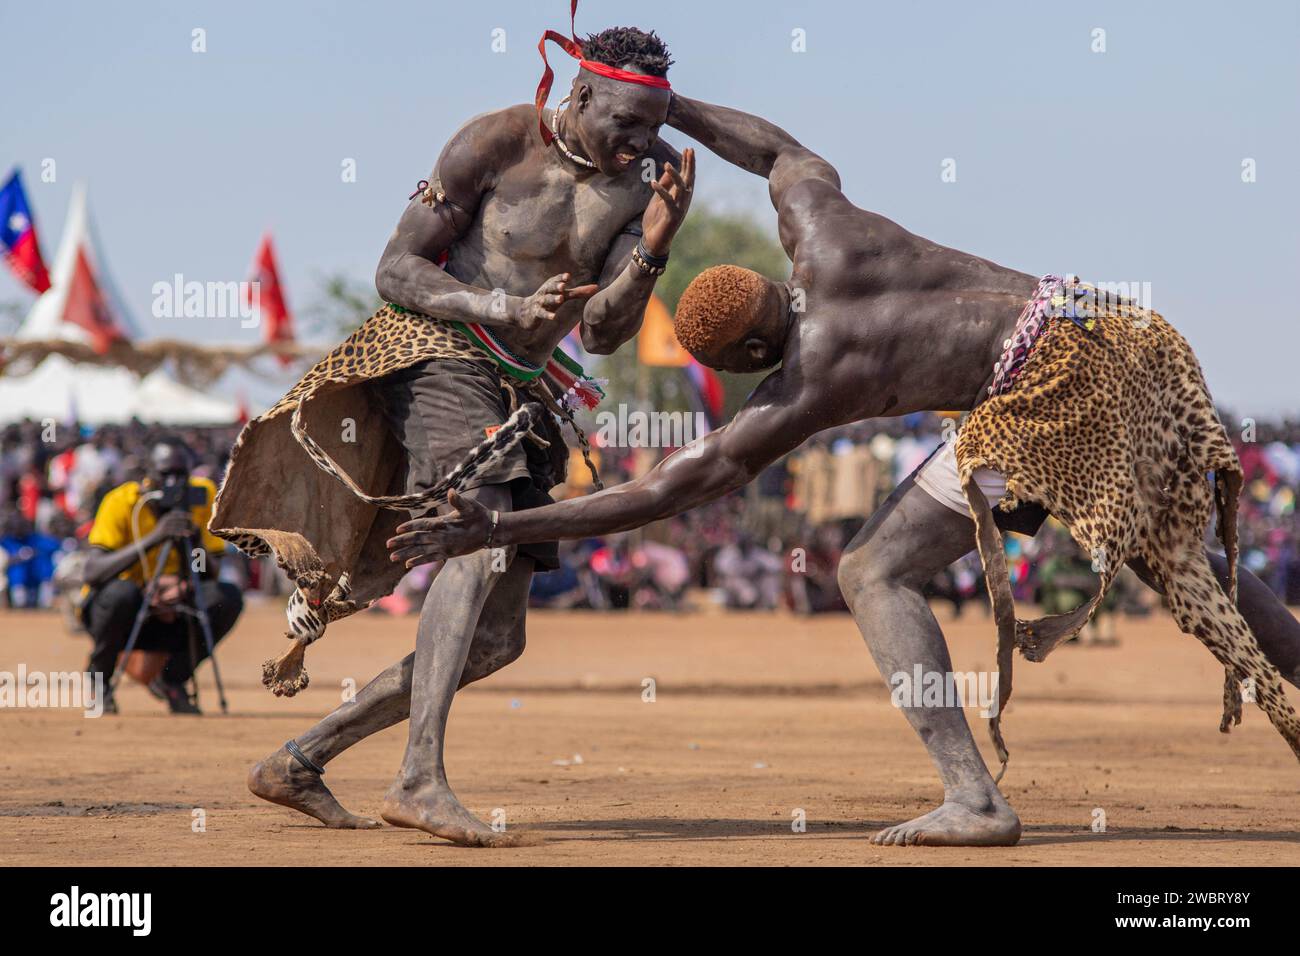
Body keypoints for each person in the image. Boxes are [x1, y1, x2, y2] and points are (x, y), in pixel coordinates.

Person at [390, 93, 1300, 847]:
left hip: (1048, 394)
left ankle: (975, 801)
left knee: (873, 571)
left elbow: (666, 491)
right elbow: (781, 151)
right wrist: (674, 110)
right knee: (1184, 566)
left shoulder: (810, 380)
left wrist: (501, 527)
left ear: (751, 353)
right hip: (1115, 339)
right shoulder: (822, 228)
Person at [226, 22, 695, 845]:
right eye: (624, 120)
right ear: (579, 94)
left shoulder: (645, 182)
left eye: (652, 127)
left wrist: (654, 249)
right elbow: (395, 269)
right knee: (475, 546)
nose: (639, 141)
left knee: (499, 638)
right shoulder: (496, 141)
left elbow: (607, 334)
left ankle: (301, 760)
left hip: (522, 388)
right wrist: (498, 307)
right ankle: (418, 779)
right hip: (437, 350)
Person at [82, 438, 242, 714]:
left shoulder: (201, 496)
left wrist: (194, 542)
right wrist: (157, 537)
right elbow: (93, 572)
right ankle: (101, 680)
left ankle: (173, 679)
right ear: (148, 475)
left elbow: (211, 573)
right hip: (126, 611)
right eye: (165, 474)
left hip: (173, 610)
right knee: (122, 594)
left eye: (181, 474)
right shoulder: (123, 501)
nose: (174, 482)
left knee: (225, 596)